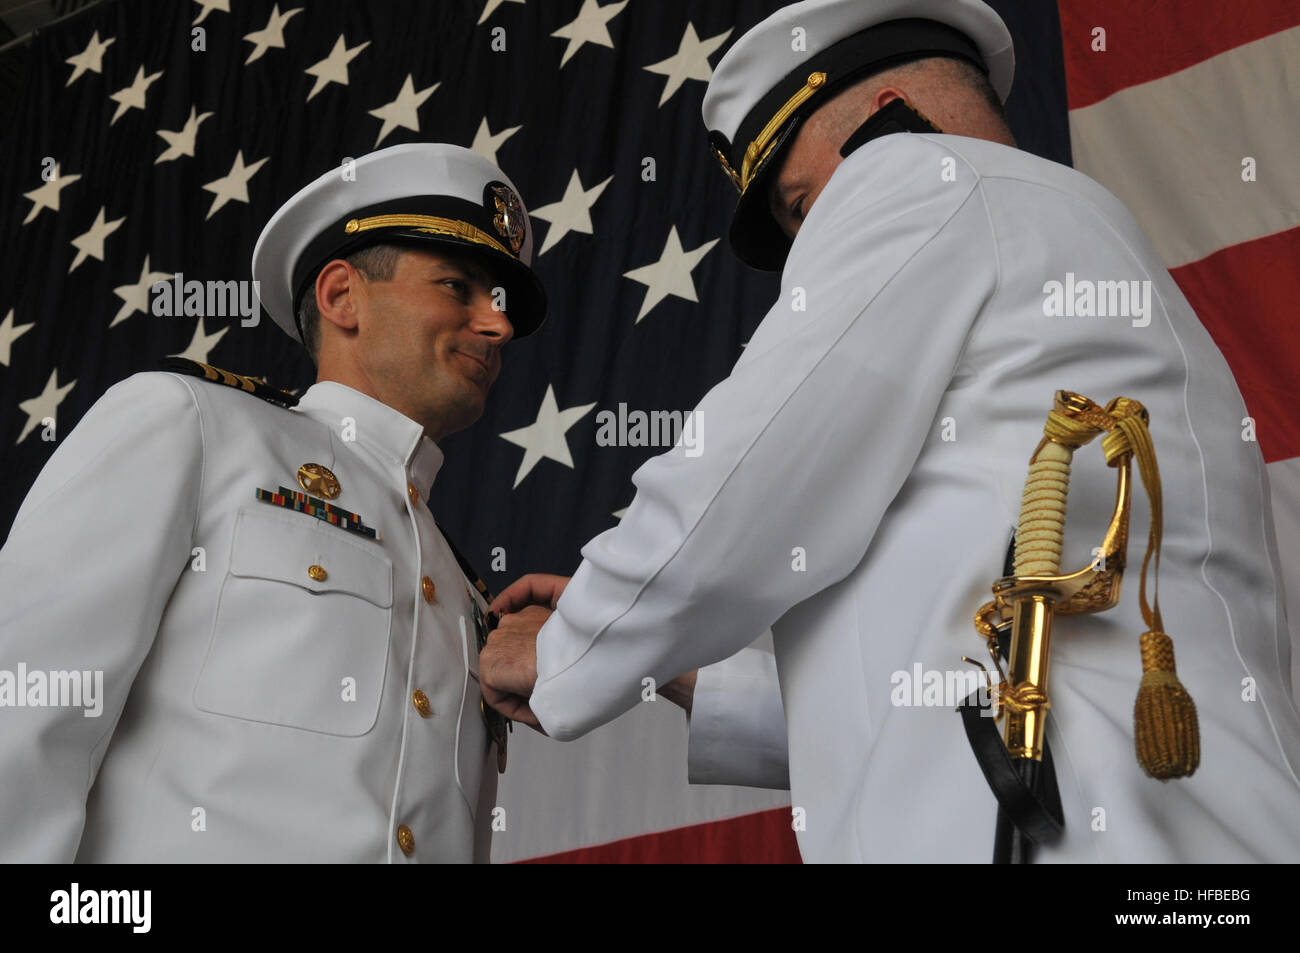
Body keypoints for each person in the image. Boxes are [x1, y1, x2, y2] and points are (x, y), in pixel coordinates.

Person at [480, 0, 1300, 862]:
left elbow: (746, 470)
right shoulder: (1070, 244)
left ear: (887, 124)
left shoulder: (918, 175)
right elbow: (927, 687)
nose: (806, 247)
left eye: (800, 205)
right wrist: (673, 667)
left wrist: (574, 646)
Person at [0, 142, 546, 862]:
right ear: (341, 295)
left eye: (502, 304)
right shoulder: (191, 423)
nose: (497, 324)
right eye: (458, 286)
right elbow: (25, 710)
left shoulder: (466, 594)